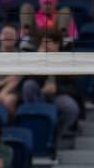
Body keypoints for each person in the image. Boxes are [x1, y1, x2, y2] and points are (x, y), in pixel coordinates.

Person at [20, 28, 82, 159]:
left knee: (71, 107)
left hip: (58, 96)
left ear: (57, 45)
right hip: (40, 96)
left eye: (48, 43)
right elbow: (27, 81)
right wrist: (40, 62)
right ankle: (36, 125)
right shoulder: (37, 59)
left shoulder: (68, 62)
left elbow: (76, 89)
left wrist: (57, 89)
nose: (45, 46)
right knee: (28, 86)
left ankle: (51, 135)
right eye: (43, 43)